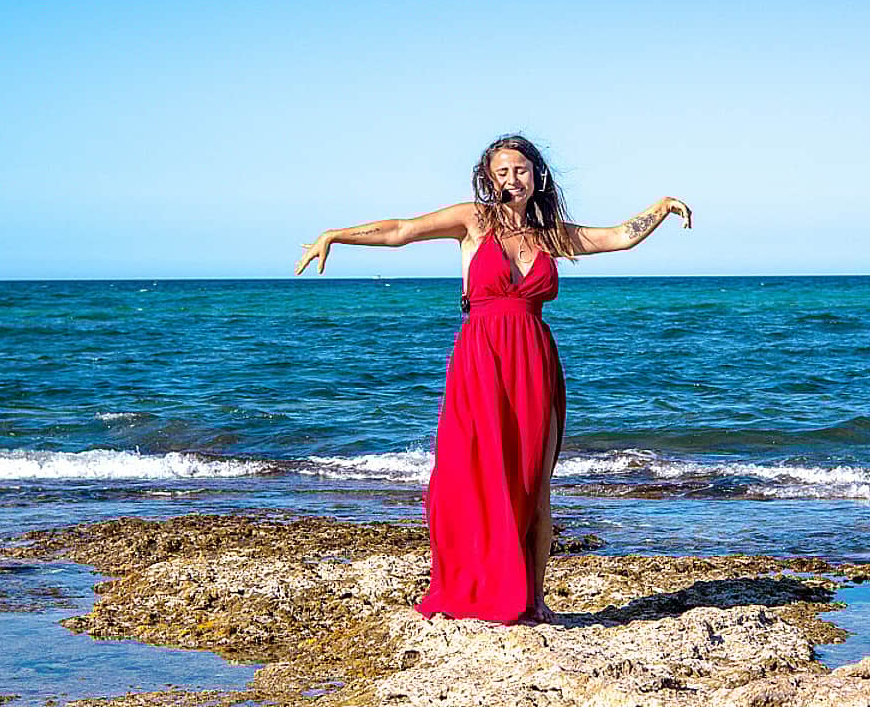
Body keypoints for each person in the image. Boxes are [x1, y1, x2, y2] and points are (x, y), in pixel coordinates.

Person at [295, 134, 692, 624]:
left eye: (520, 170)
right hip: (480, 358)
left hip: (534, 361)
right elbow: (401, 229)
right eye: (501, 172)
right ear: (488, 178)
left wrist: (660, 207)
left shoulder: (552, 235)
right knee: (467, 474)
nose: (511, 180)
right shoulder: (474, 220)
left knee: (533, 484)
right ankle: (469, 585)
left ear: (537, 175)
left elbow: (618, 236)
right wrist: (336, 234)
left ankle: (534, 597)